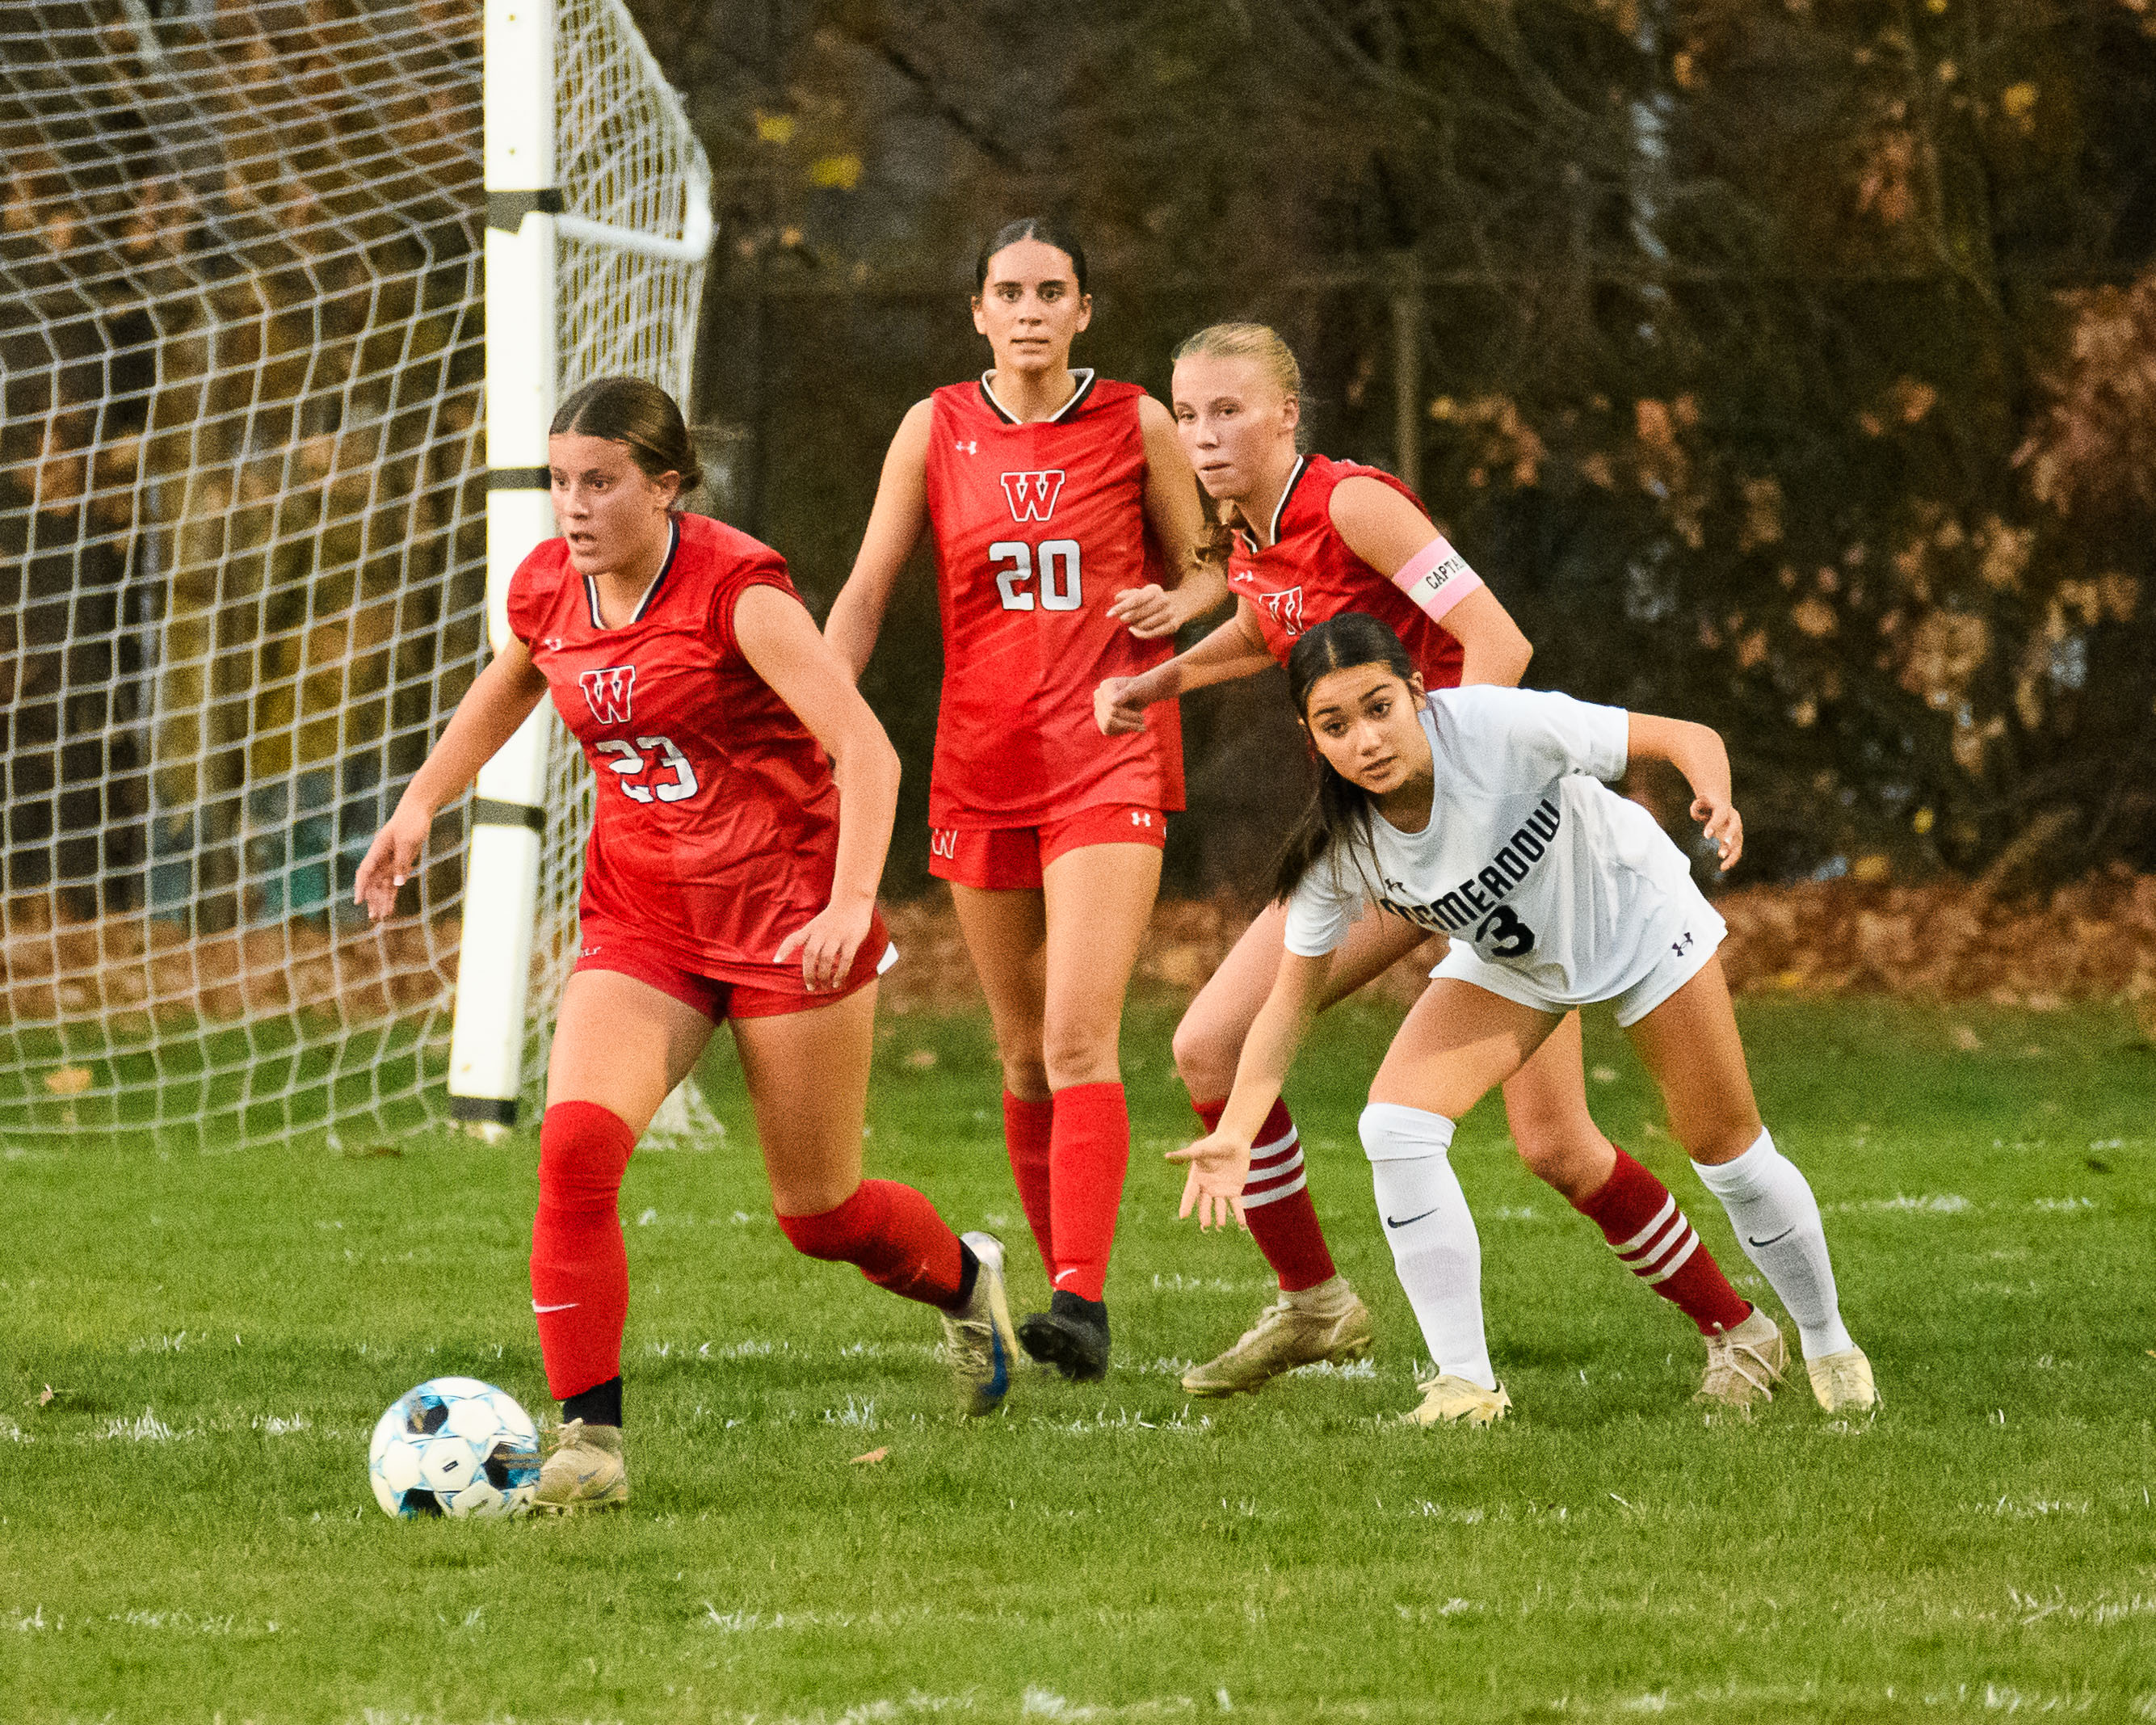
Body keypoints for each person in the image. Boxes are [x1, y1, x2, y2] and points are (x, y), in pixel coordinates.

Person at [354, 377, 1022, 1515]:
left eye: (600, 480)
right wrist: (421, 803)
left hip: (787, 917)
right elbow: (507, 683)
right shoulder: (551, 586)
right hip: (642, 917)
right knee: (573, 1149)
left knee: (820, 1212)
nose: (574, 504)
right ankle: (592, 1445)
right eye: (560, 479)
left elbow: (867, 754)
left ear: (666, 486)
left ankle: (966, 1279)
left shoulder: (739, 590)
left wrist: (853, 900)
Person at [1098, 323, 1772, 1409]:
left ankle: (1738, 1330)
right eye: (1186, 413)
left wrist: (1465, 813)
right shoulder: (1250, 535)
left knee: (1555, 1143)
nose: (1203, 432)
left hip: (1486, 839)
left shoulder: (1352, 504)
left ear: (1284, 414)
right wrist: (1160, 679)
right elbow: (1275, 629)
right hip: (1397, 839)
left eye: (1226, 410)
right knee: (1213, 1044)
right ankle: (1313, 1298)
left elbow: (1495, 639)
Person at [1170, 611, 1877, 1424]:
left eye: (1377, 708)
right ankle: (1465, 1386)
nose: (1364, 739)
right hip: (1517, 962)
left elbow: (1684, 734)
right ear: (1310, 739)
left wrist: (1711, 792)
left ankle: (1826, 1345)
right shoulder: (1340, 847)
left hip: (1633, 915)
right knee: (1394, 1123)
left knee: (1727, 1155)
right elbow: (1285, 1007)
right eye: (1335, 725)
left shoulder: (1496, 729)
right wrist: (1236, 1128)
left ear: (1415, 693)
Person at [825, 218, 1223, 1381]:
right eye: (1010, 290)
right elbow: (863, 592)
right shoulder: (932, 426)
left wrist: (1179, 605)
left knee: (1076, 1030)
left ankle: (1081, 1298)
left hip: (1108, 752)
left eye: (1055, 290)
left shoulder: (1136, 418)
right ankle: (1061, 1301)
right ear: (978, 310)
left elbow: (1211, 561)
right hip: (980, 762)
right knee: (1016, 1051)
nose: (1033, 309)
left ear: (1085, 310)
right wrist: (814, 709)